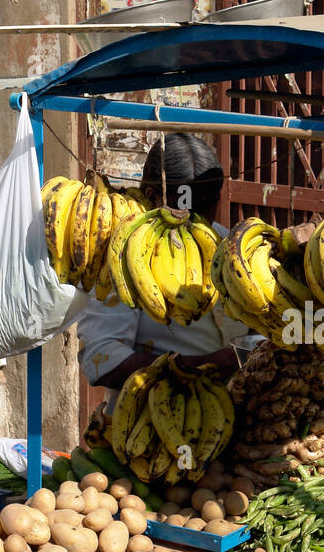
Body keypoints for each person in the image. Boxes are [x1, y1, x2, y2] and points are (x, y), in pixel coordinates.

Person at [76, 134, 248, 400]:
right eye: (188, 209)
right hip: (149, 417)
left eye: (208, 208)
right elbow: (103, 360)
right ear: (152, 197)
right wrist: (204, 365)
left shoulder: (226, 245)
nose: (199, 222)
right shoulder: (124, 259)